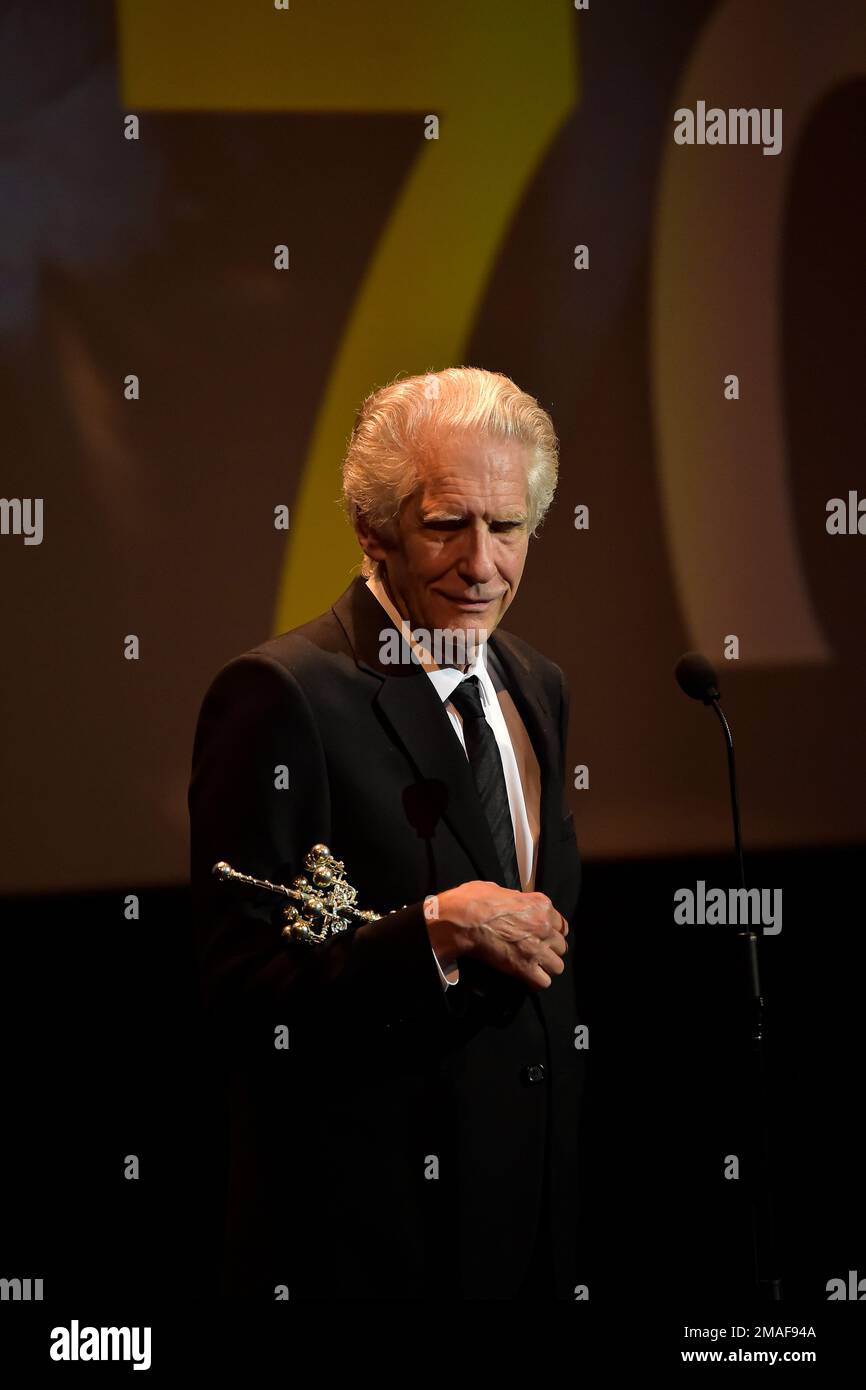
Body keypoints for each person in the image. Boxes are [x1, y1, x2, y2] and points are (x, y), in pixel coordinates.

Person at [188, 366, 586, 1300]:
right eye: (447, 524)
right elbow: (239, 991)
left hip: (530, 1227)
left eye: (509, 526)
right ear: (374, 531)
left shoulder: (537, 684)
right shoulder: (284, 697)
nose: (482, 563)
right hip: (375, 1253)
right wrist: (435, 930)